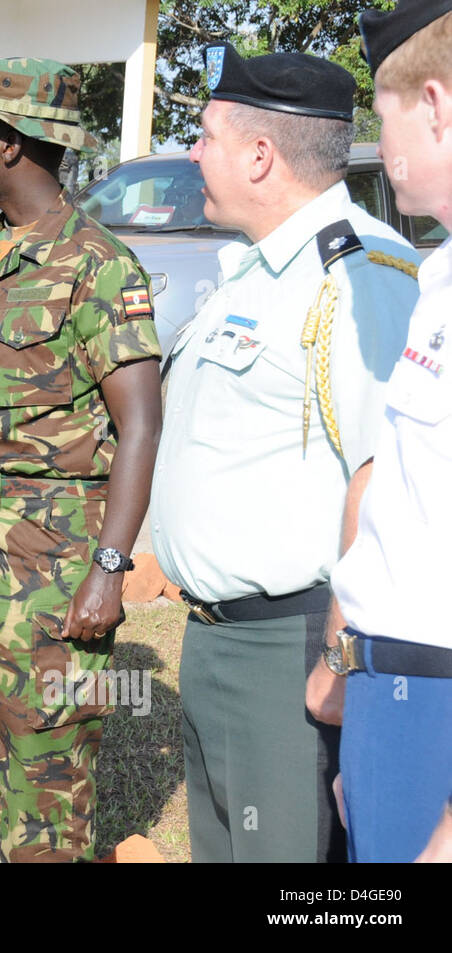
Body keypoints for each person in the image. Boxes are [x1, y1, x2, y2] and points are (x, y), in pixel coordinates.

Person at [151, 44, 421, 863]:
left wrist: (340, 658)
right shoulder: (252, 271)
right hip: (214, 640)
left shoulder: (361, 276)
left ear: (261, 154)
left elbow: (387, 485)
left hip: (293, 650)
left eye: (203, 137)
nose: (192, 154)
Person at [0, 58, 162, 863]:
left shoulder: (99, 264)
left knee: (45, 763)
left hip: (46, 553)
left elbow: (142, 425)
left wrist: (109, 566)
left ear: (11, 146)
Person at [307, 0, 452, 863]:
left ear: (435, 104)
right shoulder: (438, 273)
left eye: (385, 115)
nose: (380, 143)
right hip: (396, 695)